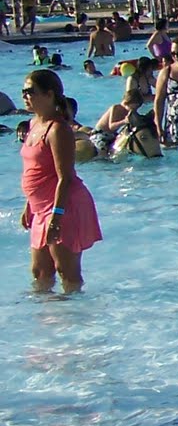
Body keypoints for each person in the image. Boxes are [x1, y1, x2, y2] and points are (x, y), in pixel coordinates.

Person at [18, 69, 102, 292]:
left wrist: (57, 216)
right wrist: (29, 204)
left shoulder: (58, 130)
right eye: (23, 92)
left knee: (67, 272)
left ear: (49, 94)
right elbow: (35, 170)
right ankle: (46, 320)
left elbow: (65, 177)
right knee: (40, 273)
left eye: (30, 92)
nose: (25, 96)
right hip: (40, 207)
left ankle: (74, 320)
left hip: (63, 206)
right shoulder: (34, 124)